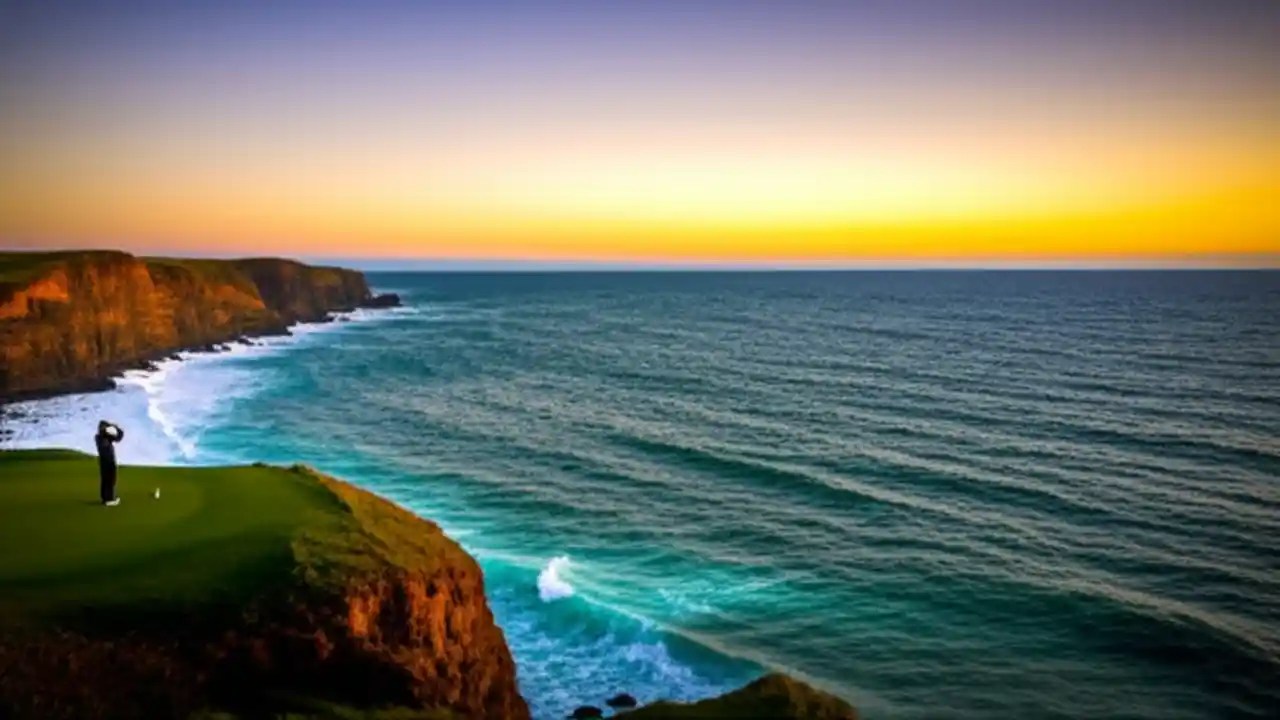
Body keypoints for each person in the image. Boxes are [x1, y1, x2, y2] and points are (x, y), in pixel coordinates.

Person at [95, 420, 125, 506]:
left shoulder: (100, 436)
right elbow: (119, 436)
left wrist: (113, 428)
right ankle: (109, 499)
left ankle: (105, 498)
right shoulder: (104, 436)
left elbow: (118, 437)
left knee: (106, 479)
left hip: (104, 460)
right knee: (110, 478)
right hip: (108, 459)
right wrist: (114, 427)